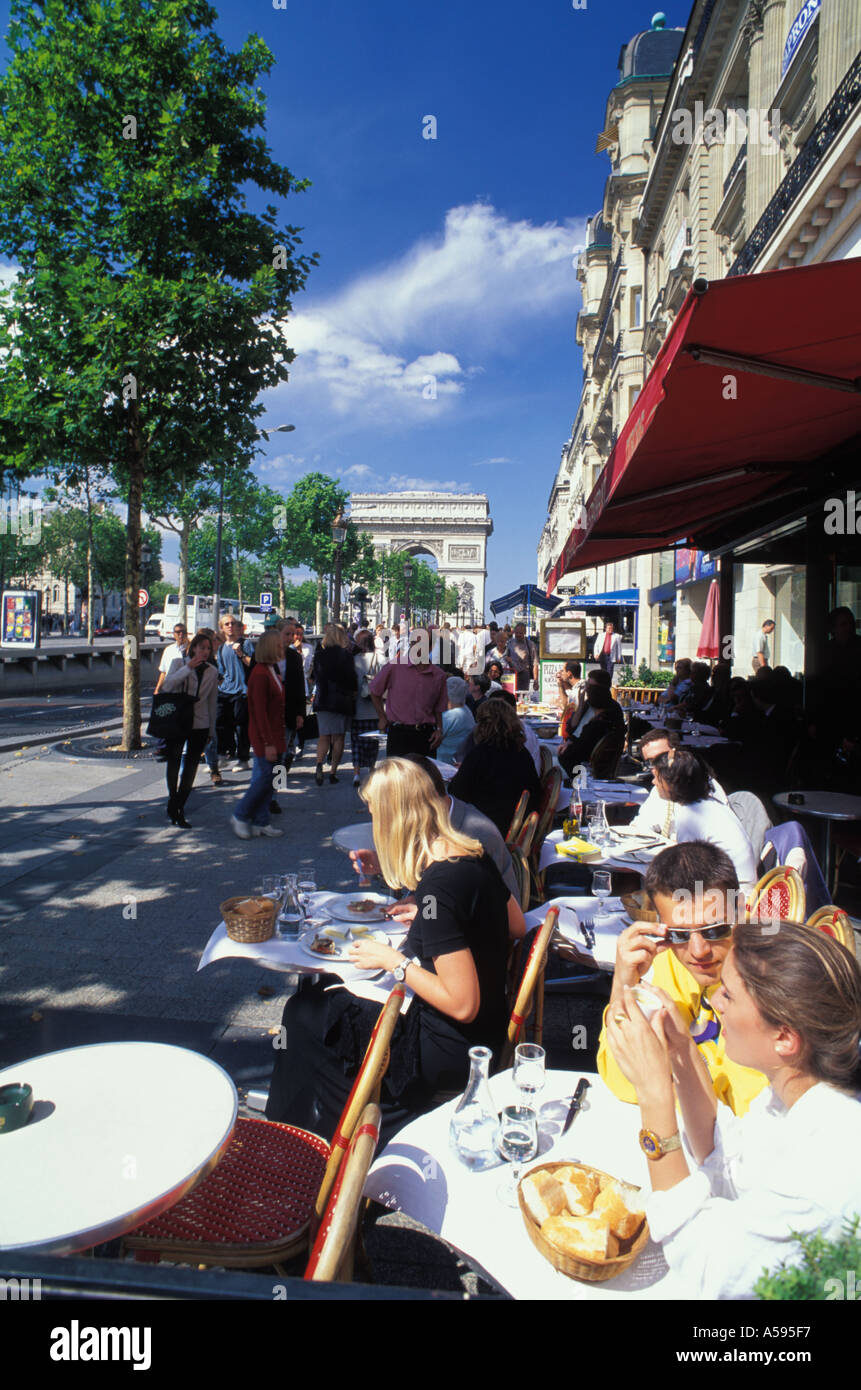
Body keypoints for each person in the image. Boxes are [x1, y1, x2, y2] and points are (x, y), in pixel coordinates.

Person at [265, 758, 526, 1145]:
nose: (373, 826)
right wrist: (428, 912)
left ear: (394, 819)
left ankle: (307, 1137)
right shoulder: (470, 852)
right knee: (320, 999)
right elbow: (516, 925)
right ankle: (312, 1120)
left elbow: (463, 1003)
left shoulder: (440, 886)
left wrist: (395, 962)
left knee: (303, 1013)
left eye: (374, 816)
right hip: (490, 1025)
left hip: (447, 1048)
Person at [606, 918, 861, 1299]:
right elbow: (727, 1161)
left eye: (728, 994)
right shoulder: (795, 1096)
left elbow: (708, 1265)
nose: (713, 1002)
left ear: (785, 1037)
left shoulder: (827, 1166)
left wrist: (654, 1096)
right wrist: (682, 1052)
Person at [597, 841, 767, 1116]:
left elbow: (741, 1111)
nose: (698, 951)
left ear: (741, 911)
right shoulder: (672, 963)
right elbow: (622, 1078)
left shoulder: (764, 988)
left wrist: (661, 1078)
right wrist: (622, 986)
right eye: (679, 934)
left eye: (714, 930)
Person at [644, 748, 757, 891]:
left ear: (672, 783)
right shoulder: (710, 803)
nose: (654, 782)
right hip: (737, 889)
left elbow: (687, 873)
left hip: (732, 899)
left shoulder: (690, 815)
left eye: (657, 777)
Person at [449, 696, 541, 837]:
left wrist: (464, 772)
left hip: (486, 828)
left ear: (483, 725)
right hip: (519, 827)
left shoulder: (480, 753)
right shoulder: (522, 752)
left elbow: (456, 792)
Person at [230, 627, 287, 840]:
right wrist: (267, 742)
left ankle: (261, 821)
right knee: (265, 778)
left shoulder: (271, 669)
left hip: (275, 733)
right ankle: (240, 814)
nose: (283, 648)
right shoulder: (260, 674)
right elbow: (258, 712)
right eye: (279, 645)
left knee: (270, 779)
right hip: (266, 735)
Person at [161, 632, 218, 829]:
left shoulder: (212, 671)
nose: (204, 652)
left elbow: (212, 701)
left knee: (191, 766)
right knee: (174, 761)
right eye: (201, 647)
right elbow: (167, 686)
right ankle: (172, 798)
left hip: (199, 723)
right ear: (193, 648)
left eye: (208, 649)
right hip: (177, 720)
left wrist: (211, 729)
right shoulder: (179, 663)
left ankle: (179, 806)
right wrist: (188, 668)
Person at [370, 627, 448, 758]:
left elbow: (439, 708)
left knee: (424, 776)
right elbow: (374, 690)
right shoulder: (395, 666)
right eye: (414, 643)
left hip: (425, 735)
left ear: (430, 647)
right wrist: (382, 717)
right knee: (398, 777)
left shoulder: (438, 675)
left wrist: (439, 730)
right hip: (399, 734)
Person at [311, 623, 357, 785]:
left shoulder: (319, 655)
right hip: (340, 700)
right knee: (338, 738)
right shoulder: (346, 656)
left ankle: (318, 764)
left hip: (322, 699)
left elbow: (313, 677)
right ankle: (333, 771)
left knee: (323, 736)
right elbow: (352, 679)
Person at [558, 683, 625, 778]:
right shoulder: (607, 720)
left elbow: (581, 745)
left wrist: (568, 745)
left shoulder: (595, 725)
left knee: (558, 755)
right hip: (599, 762)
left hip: (583, 767)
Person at [216, 614, 253, 771]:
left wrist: (241, 654)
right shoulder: (221, 648)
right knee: (220, 723)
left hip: (242, 691)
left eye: (232, 623)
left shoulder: (245, 643)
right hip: (225, 691)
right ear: (222, 628)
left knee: (241, 726)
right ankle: (223, 755)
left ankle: (243, 759)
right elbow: (221, 672)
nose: (230, 626)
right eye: (227, 624)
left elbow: (253, 664)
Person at [153, 622, 189, 762]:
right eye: (178, 632)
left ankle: (176, 748)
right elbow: (163, 671)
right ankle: (162, 748)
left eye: (183, 632)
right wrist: (157, 689)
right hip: (168, 689)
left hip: (183, 690)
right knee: (164, 717)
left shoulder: (190, 650)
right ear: (173, 634)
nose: (180, 634)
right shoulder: (168, 650)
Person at [351, 628, 381, 788]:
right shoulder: (380, 659)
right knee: (373, 742)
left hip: (358, 708)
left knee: (356, 742)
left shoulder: (354, 660)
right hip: (375, 709)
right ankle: (371, 769)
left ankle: (356, 773)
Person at [437, 675, 475, 763]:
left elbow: (431, 740)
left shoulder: (449, 716)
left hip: (445, 764)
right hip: (460, 761)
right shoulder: (466, 710)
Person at [291, 623, 314, 758]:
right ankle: (290, 745)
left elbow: (305, 669)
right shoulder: (286, 647)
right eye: (295, 633)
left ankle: (300, 744)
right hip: (288, 687)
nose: (297, 636)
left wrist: (299, 652)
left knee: (301, 717)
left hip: (302, 687)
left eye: (300, 633)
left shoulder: (308, 648)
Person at [505, 622, 538, 693]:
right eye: (516, 633)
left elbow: (535, 663)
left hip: (524, 675)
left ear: (525, 633)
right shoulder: (509, 643)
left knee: (522, 697)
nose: (518, 635)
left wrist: (536, 680)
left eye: (520, 633)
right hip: (511, 674)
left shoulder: (530, 645)